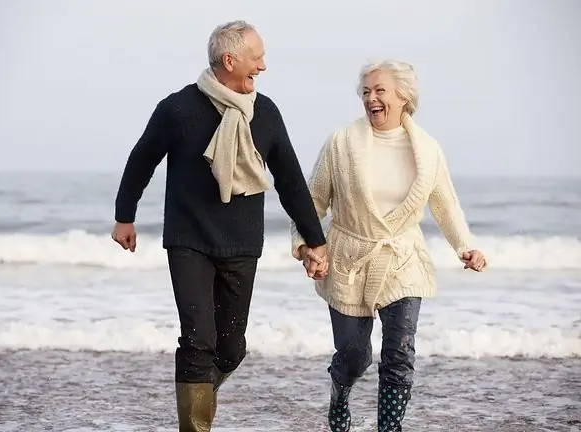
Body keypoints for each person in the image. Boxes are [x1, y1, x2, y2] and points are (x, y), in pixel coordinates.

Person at [111, 20, 328, 432]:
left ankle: (198, 399)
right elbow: (142, 159)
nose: (263, 67)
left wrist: (316, 241)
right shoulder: (177, 109)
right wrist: (125, 215)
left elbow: (291, 179)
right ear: (230, 60)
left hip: (242, 243)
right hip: (188, 239)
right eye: (257, 58)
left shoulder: (264, 112)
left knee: (230, 349)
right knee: (197, 342)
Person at [290, 59, 487, 431]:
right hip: (349, 257)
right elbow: (313, 202)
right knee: (354, 356)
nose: (371, 98)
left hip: (402, 257)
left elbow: (445, 204)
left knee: (398, 353)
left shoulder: (426, 149)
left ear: (403, 97)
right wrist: (306, 247)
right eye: (365, 92)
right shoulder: (341, 143)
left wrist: (465, 246)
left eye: (379, 90)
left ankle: (389, 428)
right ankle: (340, 391)